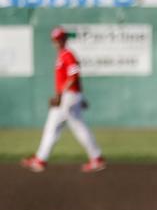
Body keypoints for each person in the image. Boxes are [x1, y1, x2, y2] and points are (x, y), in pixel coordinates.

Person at [21, 26, 106, 174]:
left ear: (65, 39)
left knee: (75, 127)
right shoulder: (62, 55)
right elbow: (73, 78)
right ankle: (40, 160)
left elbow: (74, 76)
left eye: (60, 39)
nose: (57, 42)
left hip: (68, 97)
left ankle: (96, 158)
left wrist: (61, 94)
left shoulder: (68, 55)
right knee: (53, 128)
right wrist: (79, 96)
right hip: (69, 96)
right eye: (55, 40)